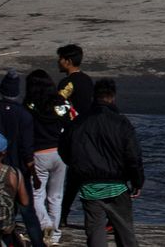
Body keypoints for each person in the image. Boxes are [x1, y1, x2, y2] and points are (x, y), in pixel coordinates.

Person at [60, 78, 143, 247]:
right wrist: (137, 181)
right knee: (125, 232)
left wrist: (77, 167)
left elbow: (64, 149)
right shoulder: (121, 122)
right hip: (117, 185)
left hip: (89, 185)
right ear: (113, 97)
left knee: (95, 232)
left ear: (93, 96)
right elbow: (133, 156)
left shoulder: (78, 122)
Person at [25, 69, 69, 247]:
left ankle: (45, 224)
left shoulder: (30, 105)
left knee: (36, 194)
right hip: (59, 153)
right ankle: (55, 234)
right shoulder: (60, 103)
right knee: (56, 196)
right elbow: (69, 122)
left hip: (39, 154)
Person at [57, 44, 95, 119]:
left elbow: (59, 105)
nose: (58, 61)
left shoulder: (67, 83)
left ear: (68, 62)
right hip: (88, 122)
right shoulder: (87, 79)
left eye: (61, 58)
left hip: (74, 125)